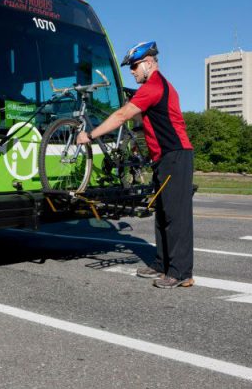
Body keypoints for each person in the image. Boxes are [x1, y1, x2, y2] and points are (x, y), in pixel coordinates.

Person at [76, 41, 194, 289]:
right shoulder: (157, 87)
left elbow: (122, 116)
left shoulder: (154, 86)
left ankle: (181, 273)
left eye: (134, 66)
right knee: (162, 214)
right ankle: (162, 264)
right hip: (163, 157)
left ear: (148, 63)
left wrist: (91, 134)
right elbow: (143, 120)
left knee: (176, 217)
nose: (132, 71)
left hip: (176, 156)